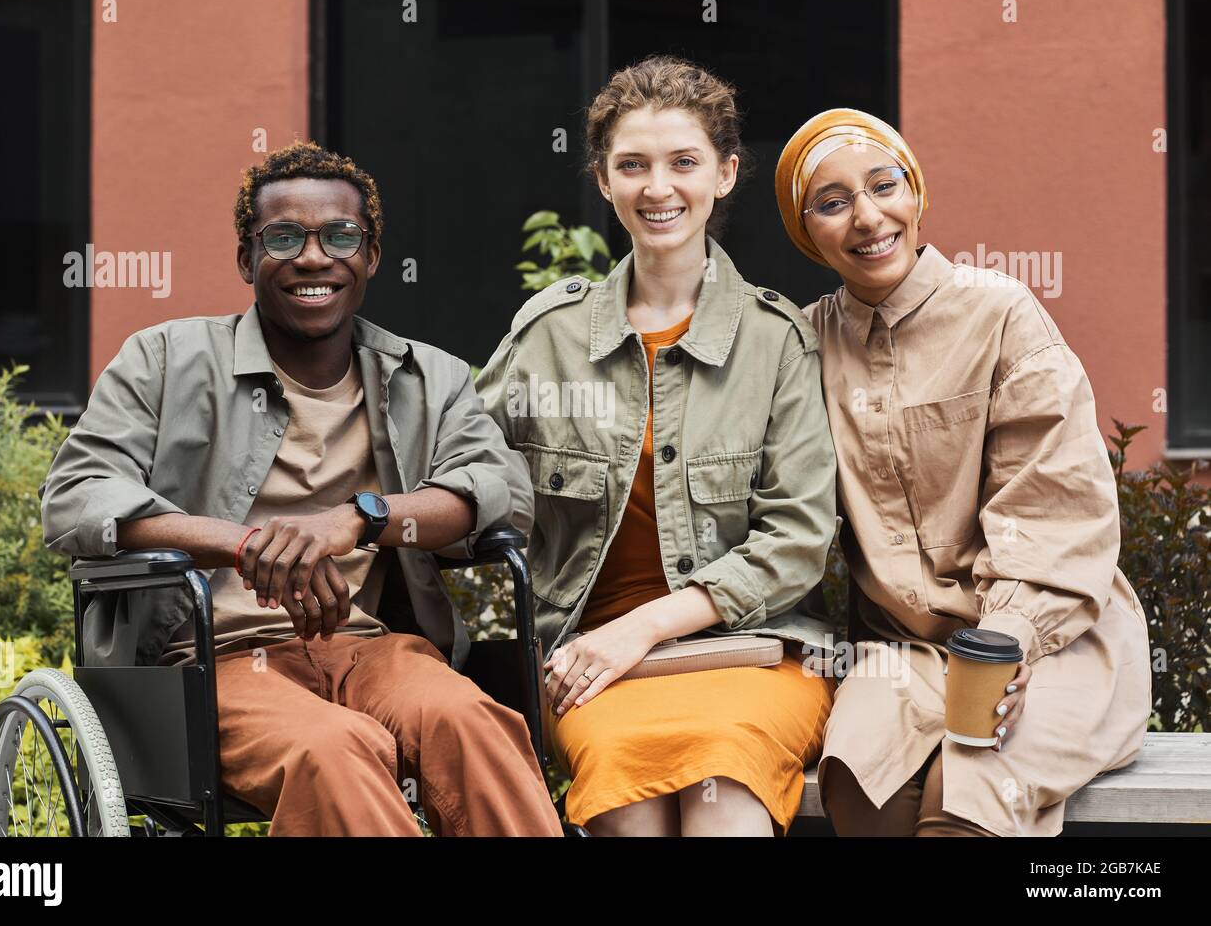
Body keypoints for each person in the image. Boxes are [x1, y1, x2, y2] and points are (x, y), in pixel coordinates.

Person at [40, 140, 562, 837]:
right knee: (336, 750)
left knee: (472, 724)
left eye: (340, 236)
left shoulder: (426, 378)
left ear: (370, 256)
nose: (314, 258)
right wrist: (250, 545)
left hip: (372, 646)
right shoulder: (163, 361)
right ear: (247, 259)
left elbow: (500, 490)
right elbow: (76, 495)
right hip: (213, 657)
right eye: (283, 237)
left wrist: (360, 519)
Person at [476, 57, 838, 836]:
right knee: (628, 799)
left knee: (726, 795)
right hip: (584, 658)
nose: (658, 187)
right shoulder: (548, 336)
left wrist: (641, 627)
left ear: (727, 173)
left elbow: (799, 541)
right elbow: (462, 469)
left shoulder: (779, 344)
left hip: (753, 654)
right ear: (603, 181)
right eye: (632, 165)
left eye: (684, 162)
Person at [774, 108, 1152, 836]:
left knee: (966, 788)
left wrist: (1009, 640)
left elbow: (1055, 505)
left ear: (914, 193)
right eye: (831, 202)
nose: (867, 217)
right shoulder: (803, 344)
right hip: (903, 649)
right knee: (859, 784)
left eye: (883, 185)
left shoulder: (1001, 313)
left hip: (1053, 634)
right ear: (807, 233)